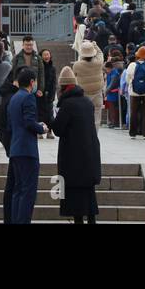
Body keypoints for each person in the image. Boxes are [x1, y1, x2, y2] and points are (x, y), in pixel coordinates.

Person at [49, 66, 101, 223]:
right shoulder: (87, 102)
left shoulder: (68, 105)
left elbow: (58, 129)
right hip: (89, 154)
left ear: (63, 87)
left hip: (73, 158)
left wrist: (50, 118)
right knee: (89, 193)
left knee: (75, 198)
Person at [2, 67, 47, 224]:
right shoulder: (28, 98)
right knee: (28, 193)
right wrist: (41, 128)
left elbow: (11, 124)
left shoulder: (14, 98)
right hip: (27, 150)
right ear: (32, 82)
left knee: (18, 190)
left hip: (15, 148)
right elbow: (29, 122)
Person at [125, 46, 145, 139]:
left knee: (134, 112)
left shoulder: (132, 65)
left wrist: (131, 84)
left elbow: (127, 79)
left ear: (137, 56)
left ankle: (133, 133)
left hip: (134, 93)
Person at [71, 40, 105, 122]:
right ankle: (95, 130)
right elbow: (100, 53)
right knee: (97, 113)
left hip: (84, 93)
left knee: (84, 114)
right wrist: (94, 44)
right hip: (97, 91)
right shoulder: (99, 62)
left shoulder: (77, 65)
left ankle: (86, 129)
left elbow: (73, 76)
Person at [104, 59, 122, 130]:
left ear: (109, 68)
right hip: (110, 93)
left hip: (113, 93)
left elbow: (112, 84)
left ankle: (114, 122)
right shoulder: (110, 73)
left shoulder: (115, 74)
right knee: (110, 108)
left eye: (107, 69)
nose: (106, 71)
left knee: (113, 108)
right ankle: (111, 122)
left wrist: (106, 92)